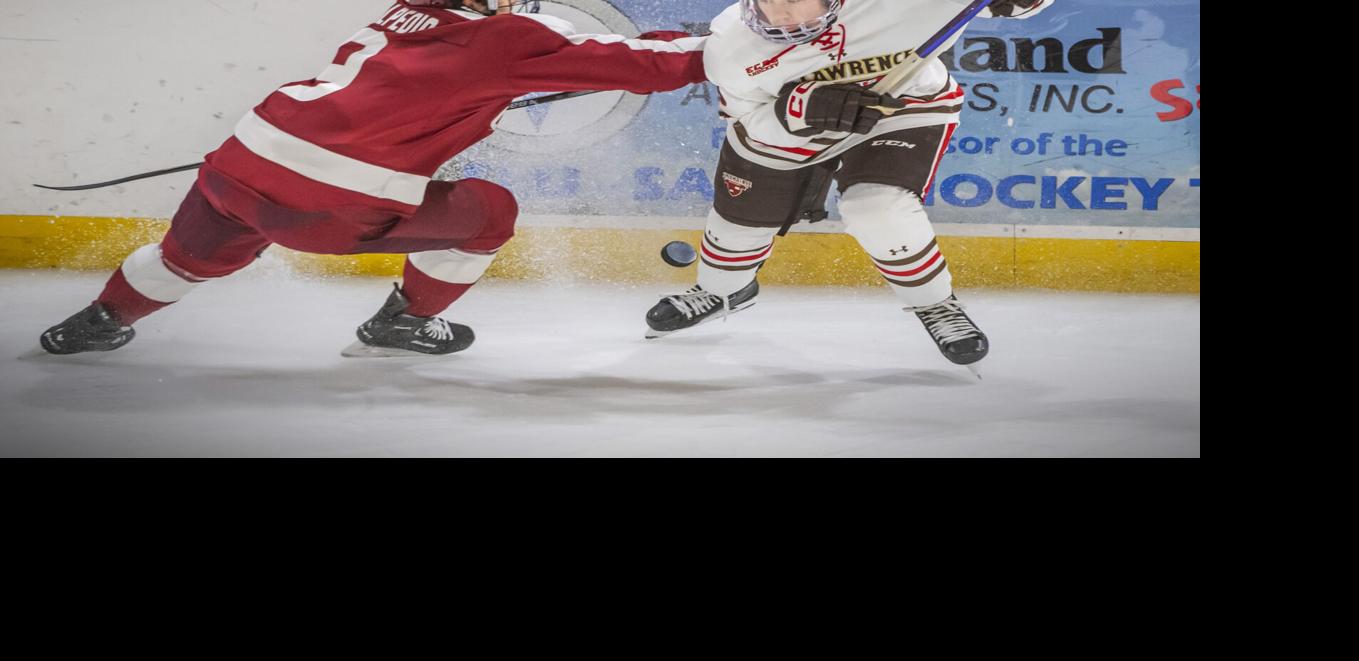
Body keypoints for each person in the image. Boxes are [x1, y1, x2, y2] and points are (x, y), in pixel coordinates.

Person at [40, 0, 707, 357]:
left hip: (240, 160)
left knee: (185, 259)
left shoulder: (402, 12)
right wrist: (753, 44)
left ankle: (101, 319)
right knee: (489, 210)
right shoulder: (506, 39)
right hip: (326, 205)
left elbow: (420, 90)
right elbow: (649, 64)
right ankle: (406, 323)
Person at [642, 0, 1052, 367]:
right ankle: (722, 292)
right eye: (765, 0)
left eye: (791, 1)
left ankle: (935, 304)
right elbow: (750, 119)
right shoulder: (733, 43)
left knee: (876, 207)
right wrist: (801, 110)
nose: (776, 14)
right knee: (740, 224)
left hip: (903, 106)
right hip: (786, 126)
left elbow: (1016, 5)